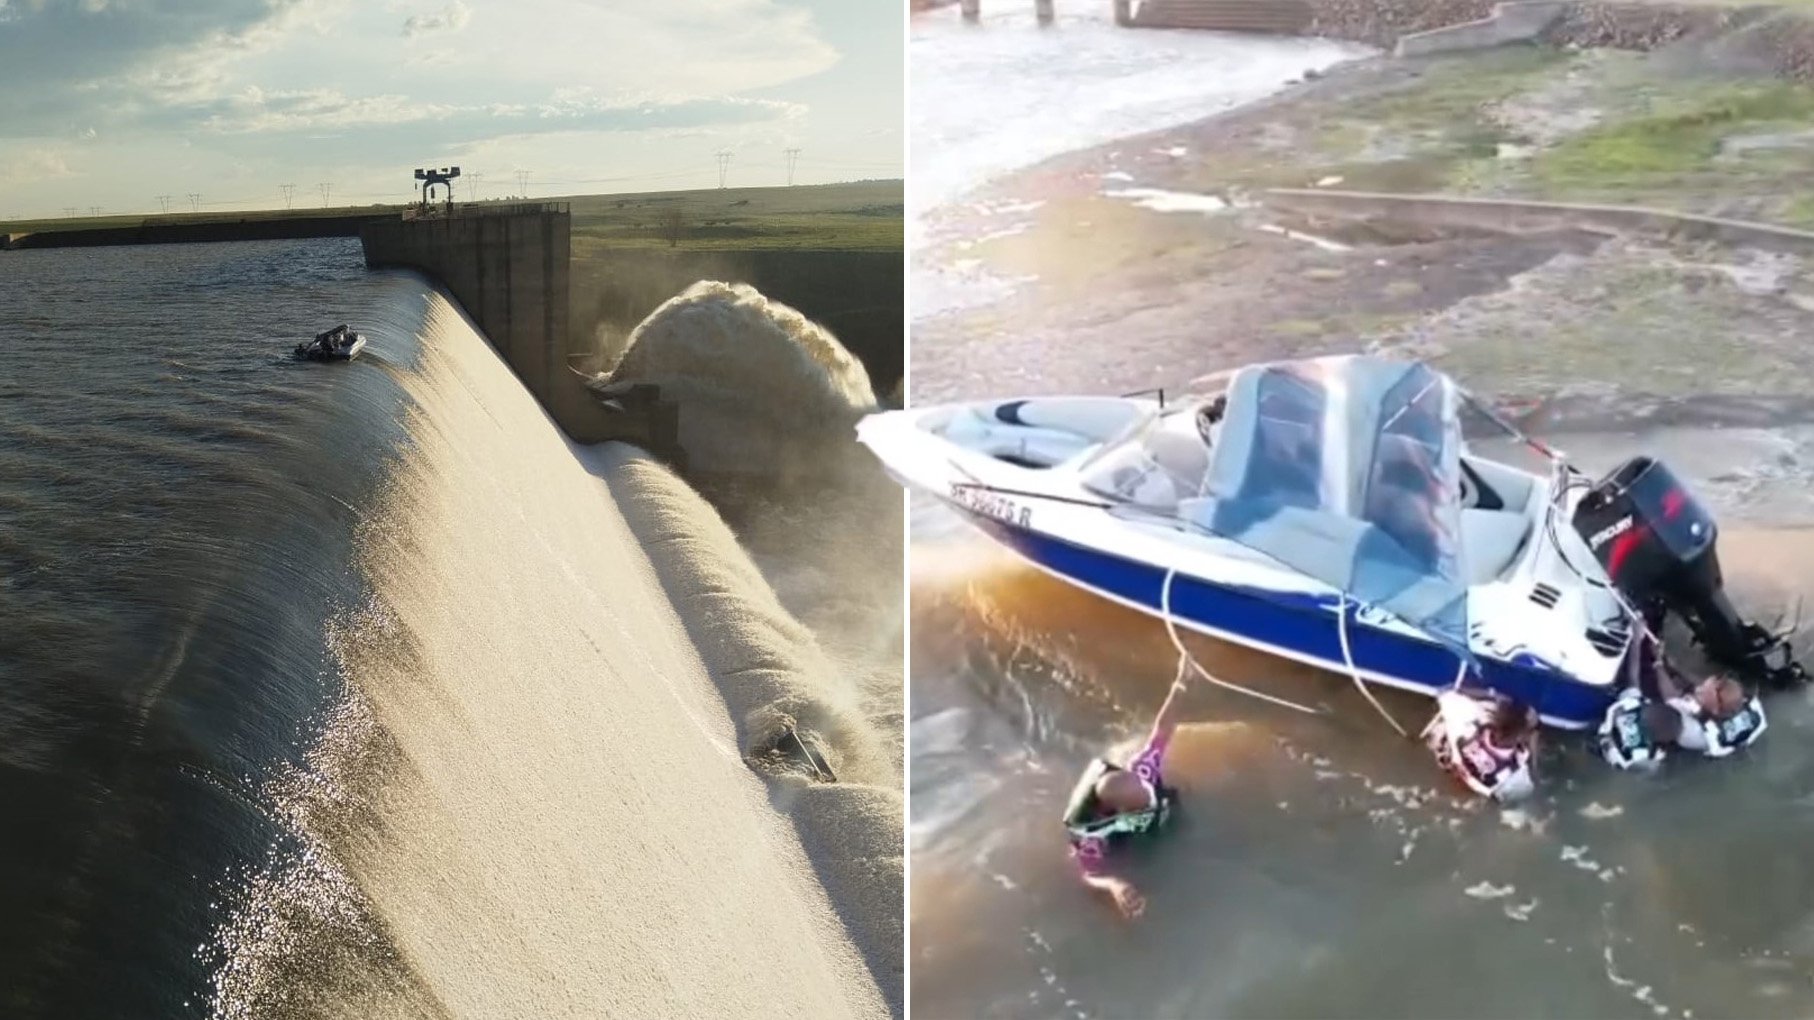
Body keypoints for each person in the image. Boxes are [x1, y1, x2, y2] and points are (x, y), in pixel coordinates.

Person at [1062, 669, 1188, 919]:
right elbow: (1089, 875)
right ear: (1123, 812)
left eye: (1146, 795)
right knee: (1130, 856)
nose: (1148, 799)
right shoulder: (1090, 834)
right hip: (1116, 832)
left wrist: (1181, 684)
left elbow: (1161, 731)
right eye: (1142, 806)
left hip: (1144, 811)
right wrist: (1114, 885)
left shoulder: (1143, 772)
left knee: (1175, 814)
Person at [1600, 628, 1766, 769]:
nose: (1713, 679)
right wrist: (1672, 666)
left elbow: (1663, 693)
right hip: (1710, 740)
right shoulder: (1741, 709)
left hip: (1643, 755)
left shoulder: (1673, 718)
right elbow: (1697, 691)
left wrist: (1640, 644)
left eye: (1716, 684)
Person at [1421, 686, 1538, 802]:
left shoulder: (1471, 732)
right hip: (1486, 784)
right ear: (1521, 737)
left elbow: (1446, 693)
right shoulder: (1518, 760)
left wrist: (1490, 694)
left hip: (1460, 770)